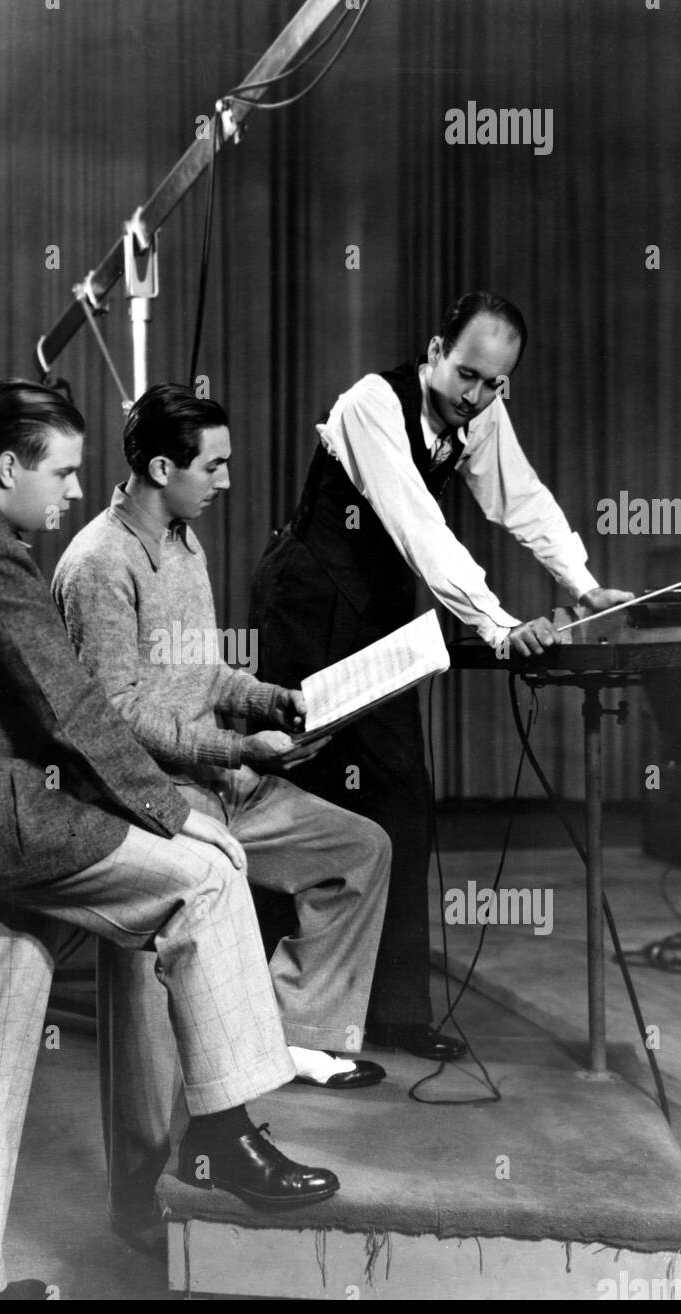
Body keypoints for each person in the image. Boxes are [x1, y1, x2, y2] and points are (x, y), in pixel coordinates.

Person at [0, 379, 341, 1302]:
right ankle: (224, 1129)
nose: (72, 493)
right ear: (8, 467)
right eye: (60, 474)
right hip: (9, 822)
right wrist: (174, 812)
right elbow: (74, 711)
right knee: (205, 880)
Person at [249, 291, 634, 1062]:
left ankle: (393, 1015)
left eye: (496, 384)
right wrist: (494, 624)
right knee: (294, 806)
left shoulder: (480, 412)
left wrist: (580, 583)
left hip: (382, 614)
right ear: (433, 352)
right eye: (466, 376)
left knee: (400, 805)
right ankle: (256, 1022)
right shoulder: (368, 404)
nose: (478, 397)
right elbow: (422, 530)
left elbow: (519, 497)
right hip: (309, 606)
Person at [51, 383, 392, 1239]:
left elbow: (200, 677)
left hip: (226, 784)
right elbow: (115, 712)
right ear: (161, 467)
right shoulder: (98, 564)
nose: (229, 479)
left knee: (357, 851)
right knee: (143, 1027)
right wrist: (237, 749)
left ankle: (282, 1041)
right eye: (216, 464)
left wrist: (272, 703)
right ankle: (143, 1213)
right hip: (150, 807)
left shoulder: (184, 538)